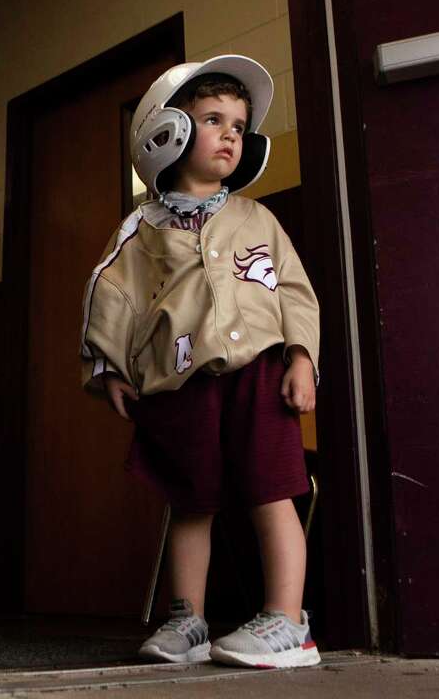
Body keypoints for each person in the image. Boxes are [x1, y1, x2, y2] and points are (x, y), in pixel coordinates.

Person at [79, 55, 321, 669]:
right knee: (191, 499)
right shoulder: (140, 231)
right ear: (170, 134)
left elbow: (293, 290)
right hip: (179, 381)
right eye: (214, 120)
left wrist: (300, 356)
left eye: (239, 126)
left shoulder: (256, 217)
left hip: (258, 373)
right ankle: (188, 622)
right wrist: (107, 368)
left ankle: (289, 624)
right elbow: (113, 296)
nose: (231, 135)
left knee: (273, 490)